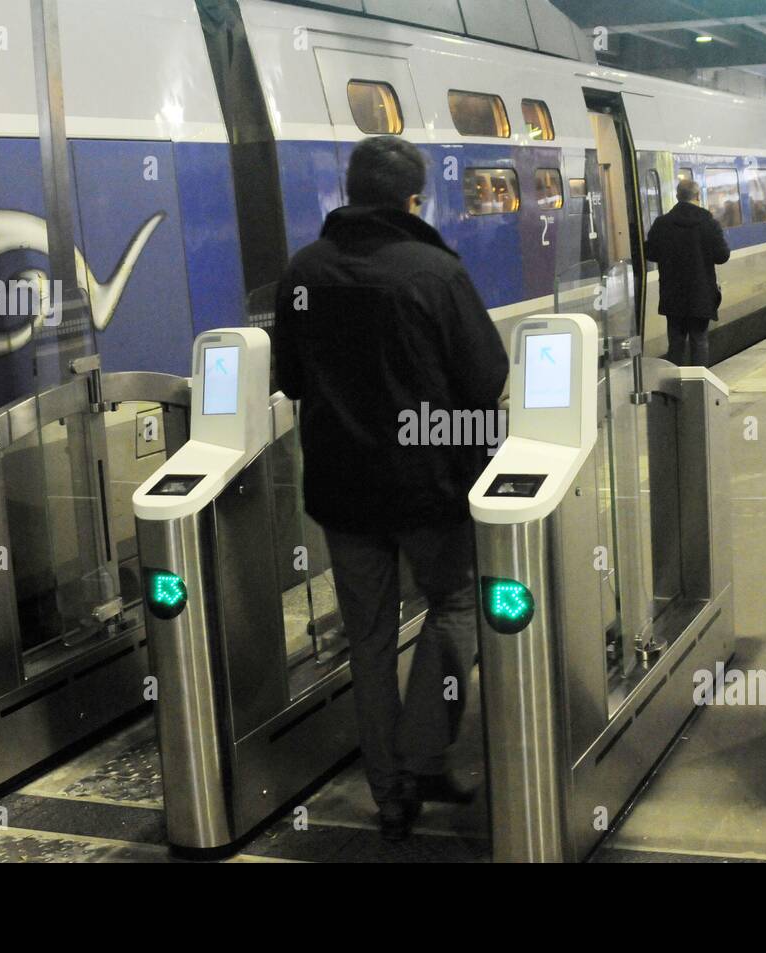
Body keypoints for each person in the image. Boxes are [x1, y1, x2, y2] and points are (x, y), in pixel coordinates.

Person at [271, 135, 509, 841]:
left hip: (343, 491)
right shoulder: (435, 272)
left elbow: (289, 378)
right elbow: (486, 376)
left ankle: (391, 792)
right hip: (428, 487)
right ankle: (426, 748)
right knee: (457, 604)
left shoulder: (303, 272)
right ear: (414, 199)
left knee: (368, 637)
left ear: (350, 191)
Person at [644, 177, 731, 366]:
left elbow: (650, 253)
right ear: (697, 196)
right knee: (699, 342)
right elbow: (722, 256)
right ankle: (698, 387)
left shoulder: (662, 223)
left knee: (675, 344)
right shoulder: (708, 223)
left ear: (677, 196)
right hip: (701, 294)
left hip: (673, 293)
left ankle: (674, 389)